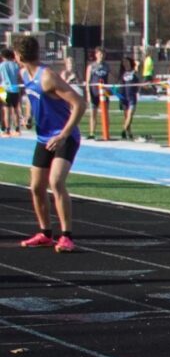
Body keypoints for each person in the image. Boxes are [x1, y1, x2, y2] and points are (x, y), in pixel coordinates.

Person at [15, 36, 86, 253]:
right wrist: (28, 116)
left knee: (55, 182)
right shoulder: (24, 74)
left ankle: (66, 236)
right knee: (36, 187)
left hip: (65, 136)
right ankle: (45, 233)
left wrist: (64, 134)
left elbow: (79, 104)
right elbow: (32, 98)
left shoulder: (47, 77)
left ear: (18, 56)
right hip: (43, 137)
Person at [85, 48, 111, 131]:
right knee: (93, 113)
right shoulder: (91, 66)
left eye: (103, 54)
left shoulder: (107, 66)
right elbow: (88, 81)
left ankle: (106, 132)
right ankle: (92, 133)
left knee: (105, 113)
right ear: (96, 55)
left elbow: (111, 77)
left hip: (104, 93)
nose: (101, 56)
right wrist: (88, 94)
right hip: (94, 92)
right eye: (99, 54)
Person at [1, 47, 24, 136]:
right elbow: (19, 77)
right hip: (15, 88)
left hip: (3, 89)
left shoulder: (2, 65)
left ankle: (7, 130)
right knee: (16, 109)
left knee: (6, 109)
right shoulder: (15, 65)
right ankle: (17, 129)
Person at [117, 56, 141, 139]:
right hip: (124, 97)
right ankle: (129, 132)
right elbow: (120, 86)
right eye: (124, 63)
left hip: (132, 97)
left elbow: (138, 67)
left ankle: (123, 130)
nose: (126, 64)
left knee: (130, 115)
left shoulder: (134, 72)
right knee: (126, 116)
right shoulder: (122, 74)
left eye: (127, 62)